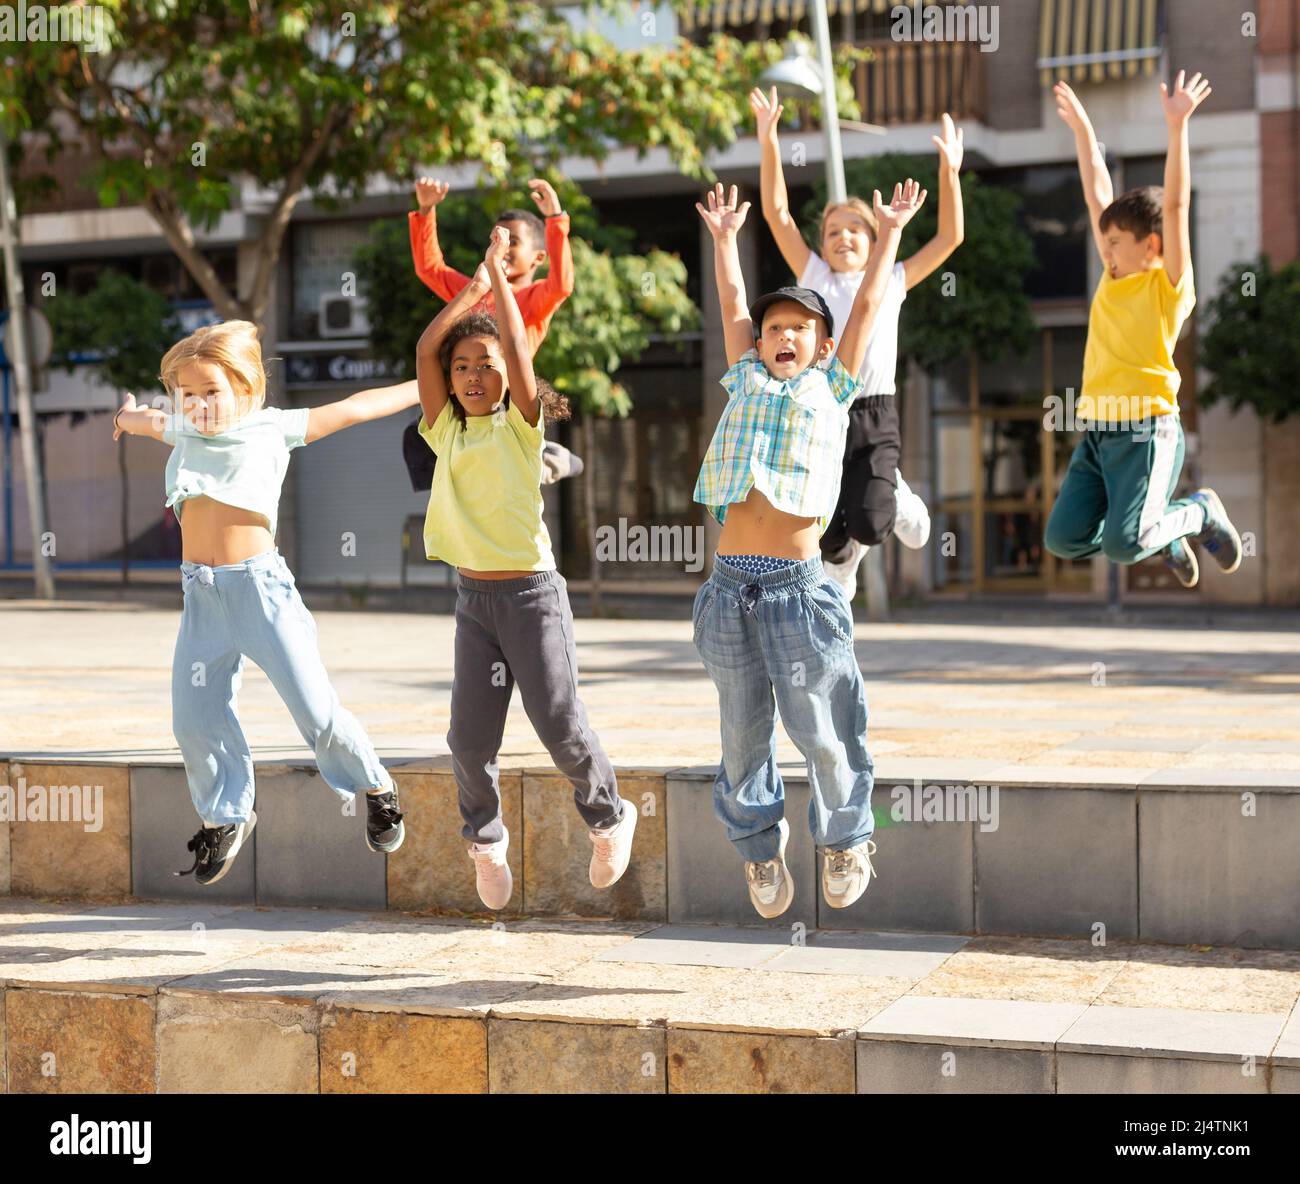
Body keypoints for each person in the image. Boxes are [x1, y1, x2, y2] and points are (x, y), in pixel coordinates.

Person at [692, 178, 926, 919]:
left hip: (800, 586)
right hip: (730, 588)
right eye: (774, 329)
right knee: (741, 737)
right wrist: (726, 241)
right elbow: (733, 306)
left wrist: (888, 235)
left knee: (823, 731)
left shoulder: (833, 389)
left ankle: (848, 836)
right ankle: (761, 853)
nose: (783, 336)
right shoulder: (745, 382)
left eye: (799, 328)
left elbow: (865, 309)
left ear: (821, 345)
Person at [112, 321, 418, 885]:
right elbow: (150, 421)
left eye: (212, 391)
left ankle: (377, 787)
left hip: (261, 593)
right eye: (187, 393)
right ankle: (227, 817)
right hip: (201, 597)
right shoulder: (183, 430)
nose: (198, 405)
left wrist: (425, 385)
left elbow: (354, 408)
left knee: (317, 714)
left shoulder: (272, 428)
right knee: (192, 718)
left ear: (246, 388)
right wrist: (127, 417)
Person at [414, 226, 637, 910]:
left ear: (510, 375)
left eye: (486, 364)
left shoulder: (521, 427)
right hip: (473, 603)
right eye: (463, 368)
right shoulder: (443, 428)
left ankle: (609, 816)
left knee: (560, 723)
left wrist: (500, 285)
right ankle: (484, 842)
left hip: (532, 598)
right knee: (468, 738)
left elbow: (514, 342)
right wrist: (474, 290)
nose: (474, 375)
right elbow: (426, 347)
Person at [752, 86, 964, 602]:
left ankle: (900, 498)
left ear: (874, 242)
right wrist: (768, 140)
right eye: (832, 232)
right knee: (825, 536)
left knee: (872, 524)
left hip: (873, 409)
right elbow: (777, 212)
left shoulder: (889, 278)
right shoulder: (813, 275)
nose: (842, 238)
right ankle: (843, 562)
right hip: (821, 412)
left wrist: (949, 172)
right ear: (821, 246)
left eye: (854, 230)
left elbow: (948, 239)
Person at [1044, 72, 1242, 588]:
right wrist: (1085, 133)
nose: (1104, 252)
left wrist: (1177, 128)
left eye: (1115, 242)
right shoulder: (1112, 280)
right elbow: (1097, 189)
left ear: (1151, 246)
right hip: (1099, 430)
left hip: (1147, 431)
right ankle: (1166, 534)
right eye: (1103, 242)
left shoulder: (1169, 285)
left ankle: (1197, 512)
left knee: (1127, 543)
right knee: (1062, 539)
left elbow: (1176, 207)